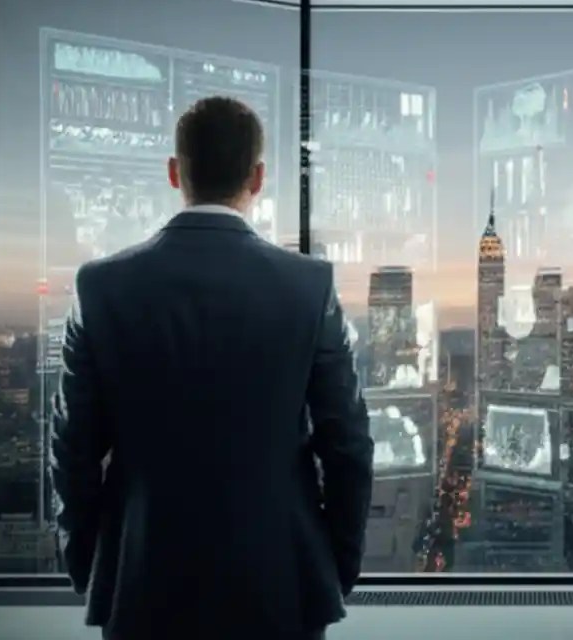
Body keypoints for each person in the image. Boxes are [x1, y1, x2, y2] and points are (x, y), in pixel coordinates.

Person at [49, 96, 374, 640]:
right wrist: (332, 569)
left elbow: (73, 449)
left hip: (142, 580)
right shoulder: (308, 285)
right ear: (259, 177)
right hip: (282, 582)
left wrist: (91, 567)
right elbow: (348, 446)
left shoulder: (100, 286)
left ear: (175, 172)